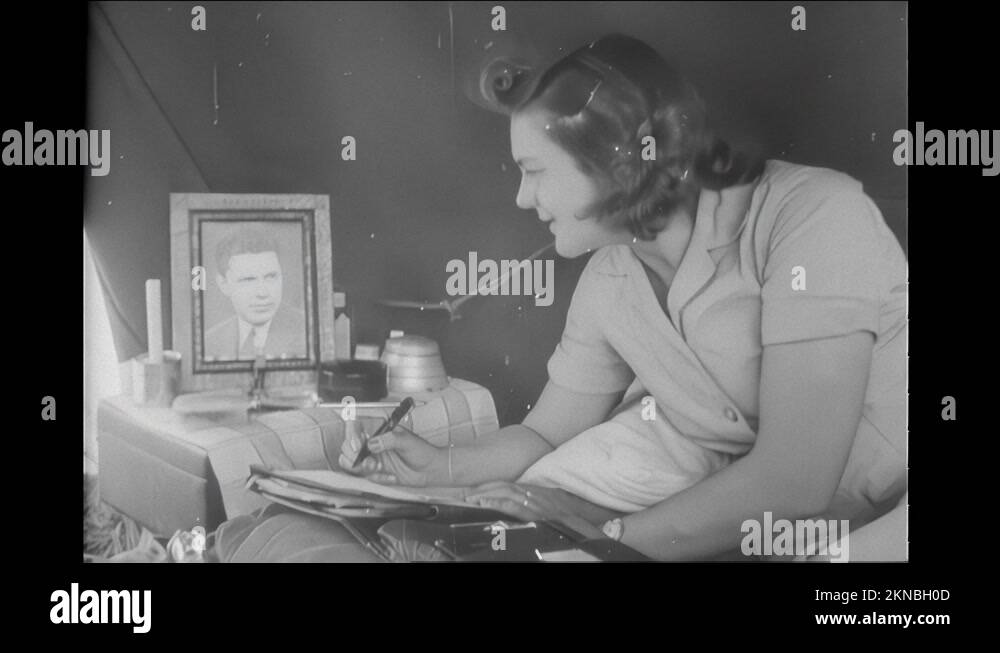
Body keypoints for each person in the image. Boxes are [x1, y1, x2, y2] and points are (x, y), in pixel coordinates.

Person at [214, 33, 907, 562]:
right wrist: (441, 465)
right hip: (740, 518)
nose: (522, 198)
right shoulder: (613, 277)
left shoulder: (814, 217)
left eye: (535, 171)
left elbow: (794, 482)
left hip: (882, 520)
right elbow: (547, 432)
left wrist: (602, 540)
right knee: (271, 535)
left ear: (620, 158)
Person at [204, 226, 307, 361]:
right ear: (224, 285)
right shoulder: (209, 342)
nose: (263, 293)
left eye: (271, 277)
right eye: (248, 280)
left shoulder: (307, 332)